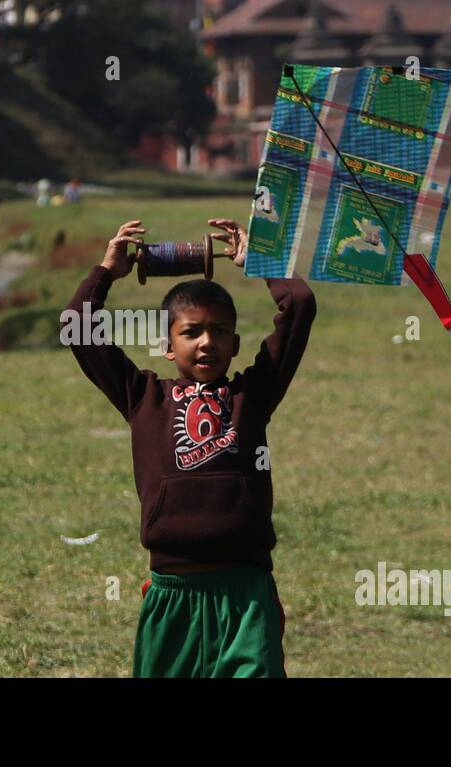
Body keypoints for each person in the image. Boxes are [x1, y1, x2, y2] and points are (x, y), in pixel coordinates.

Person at [63, 218, 317, 677]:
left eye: (220, 331)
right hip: (172, 594)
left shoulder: (251, 397)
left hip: (246, 595)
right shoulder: (142, 397)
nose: (207, 342)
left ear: (236, 343)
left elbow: (298, 305)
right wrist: (106, 272)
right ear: (165, 344)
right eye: (191, 331)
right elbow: (78, 326)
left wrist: (260, 262)